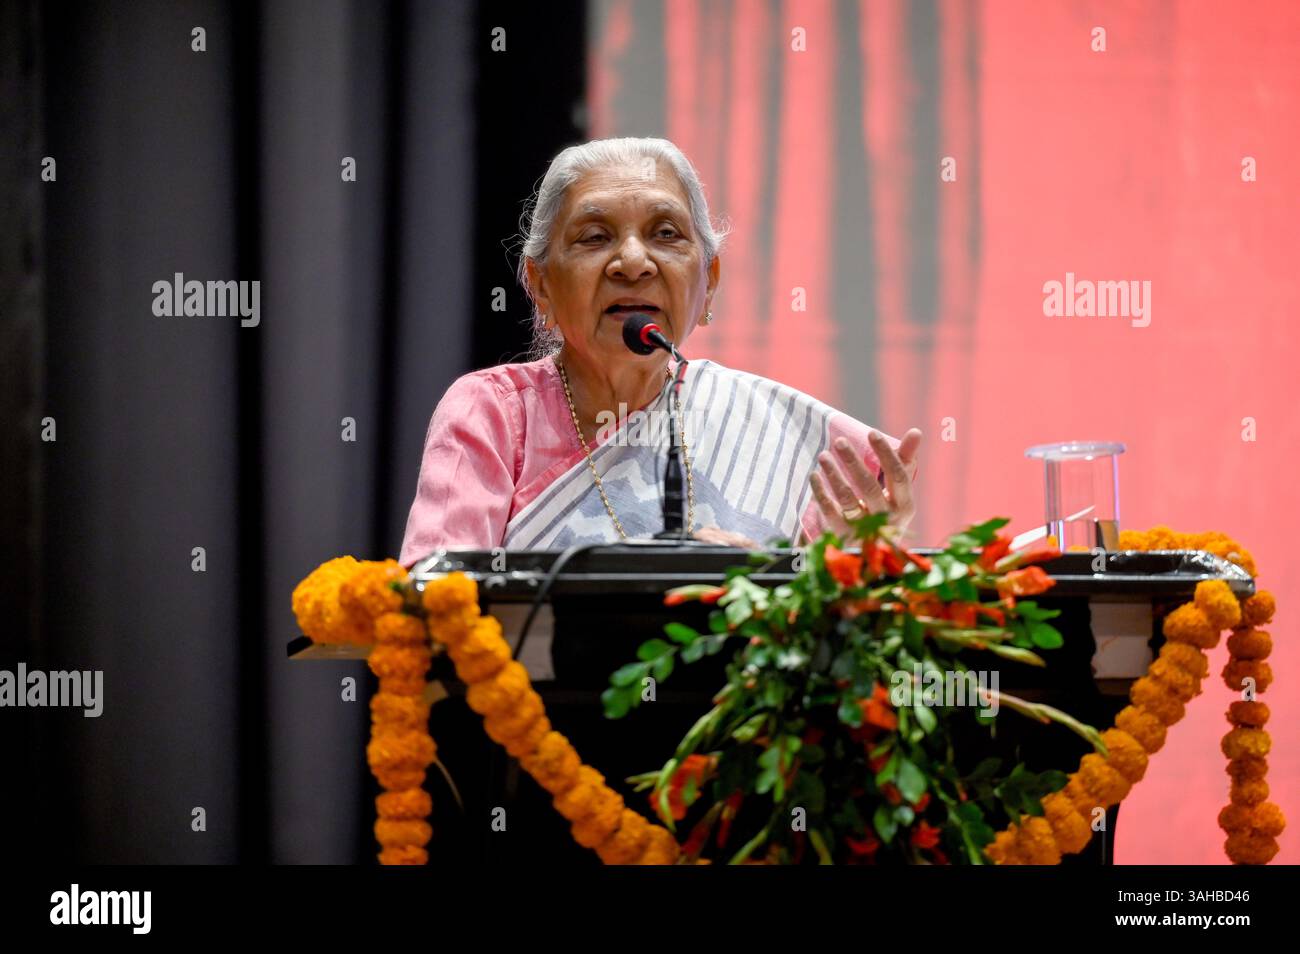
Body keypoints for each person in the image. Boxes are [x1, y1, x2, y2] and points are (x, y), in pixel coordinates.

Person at [398, 137, 921, 566]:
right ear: (540, 285)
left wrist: (859, 572)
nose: (632, 261)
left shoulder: (773, 432)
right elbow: (432, 608)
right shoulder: (494, 415)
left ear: (708, 282)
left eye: (665, 234)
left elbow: (813, 654)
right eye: (594, 237)